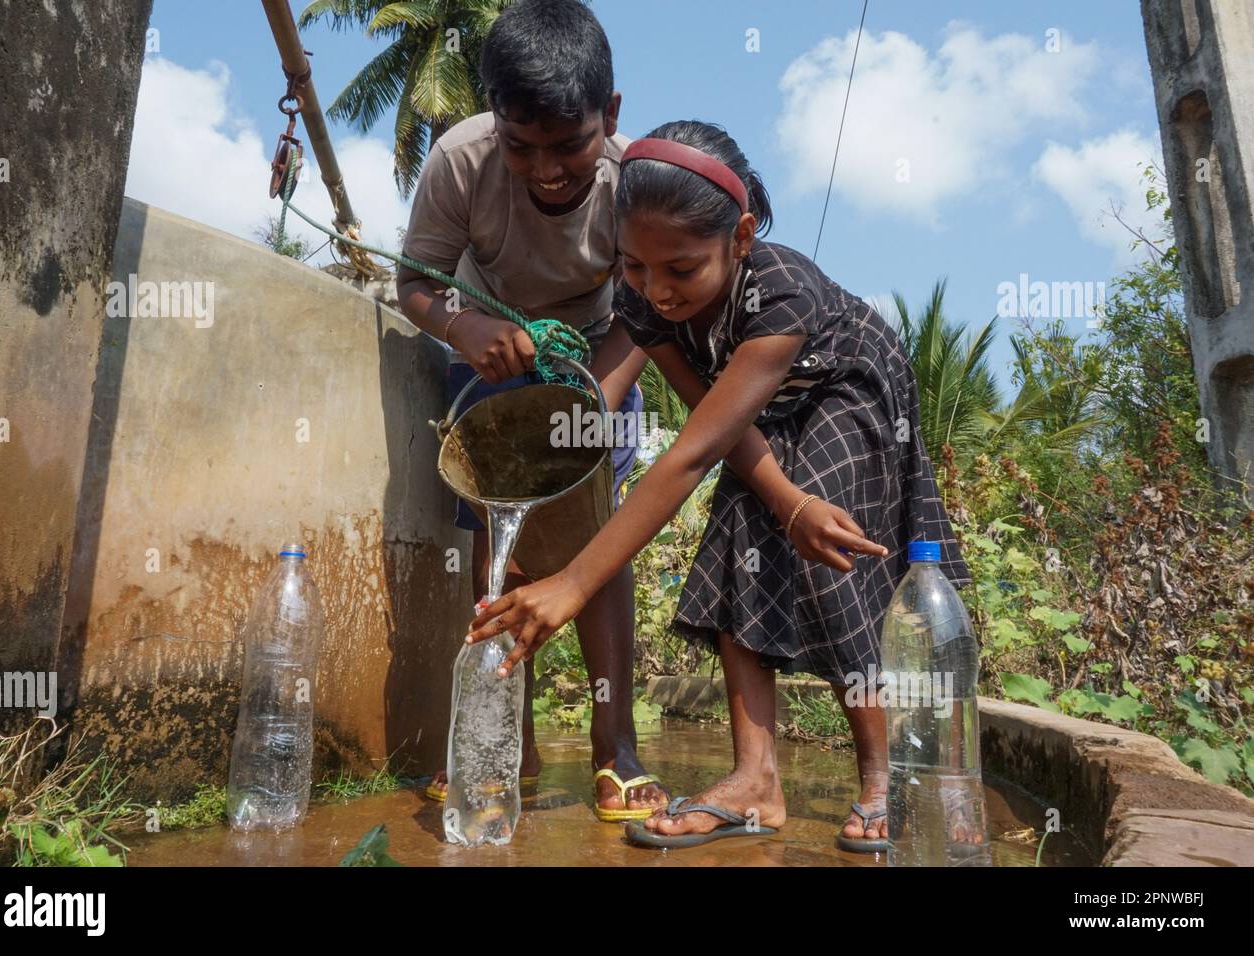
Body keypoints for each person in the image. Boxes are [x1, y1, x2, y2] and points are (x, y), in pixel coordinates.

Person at [467, 120, 972, 850]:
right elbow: (713, 419)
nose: (656, 290)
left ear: (739, 238)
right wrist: (544, 452)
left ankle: (883, 773)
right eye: (634, 266)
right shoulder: (641, 300)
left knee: (833, 561)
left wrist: (574, 585)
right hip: (745, 417)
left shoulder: (783, 294)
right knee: (742, 537)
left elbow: (692, 452)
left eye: (681, 269)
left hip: (844, 388)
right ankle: (755, 780)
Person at [395, 0, 667, 821]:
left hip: (599, 359)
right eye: (522, 146)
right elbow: (416, 282)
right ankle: (498, 743)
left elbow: (650, 311)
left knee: (596, 551)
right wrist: (464, 323)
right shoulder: (458, 161)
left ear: (609, 117)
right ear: (493, 121)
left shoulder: (633, 183)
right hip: (489, 366)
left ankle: (614, 750)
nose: (546, 168)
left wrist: (591, 404)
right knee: (493, 555)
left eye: (569, 145)